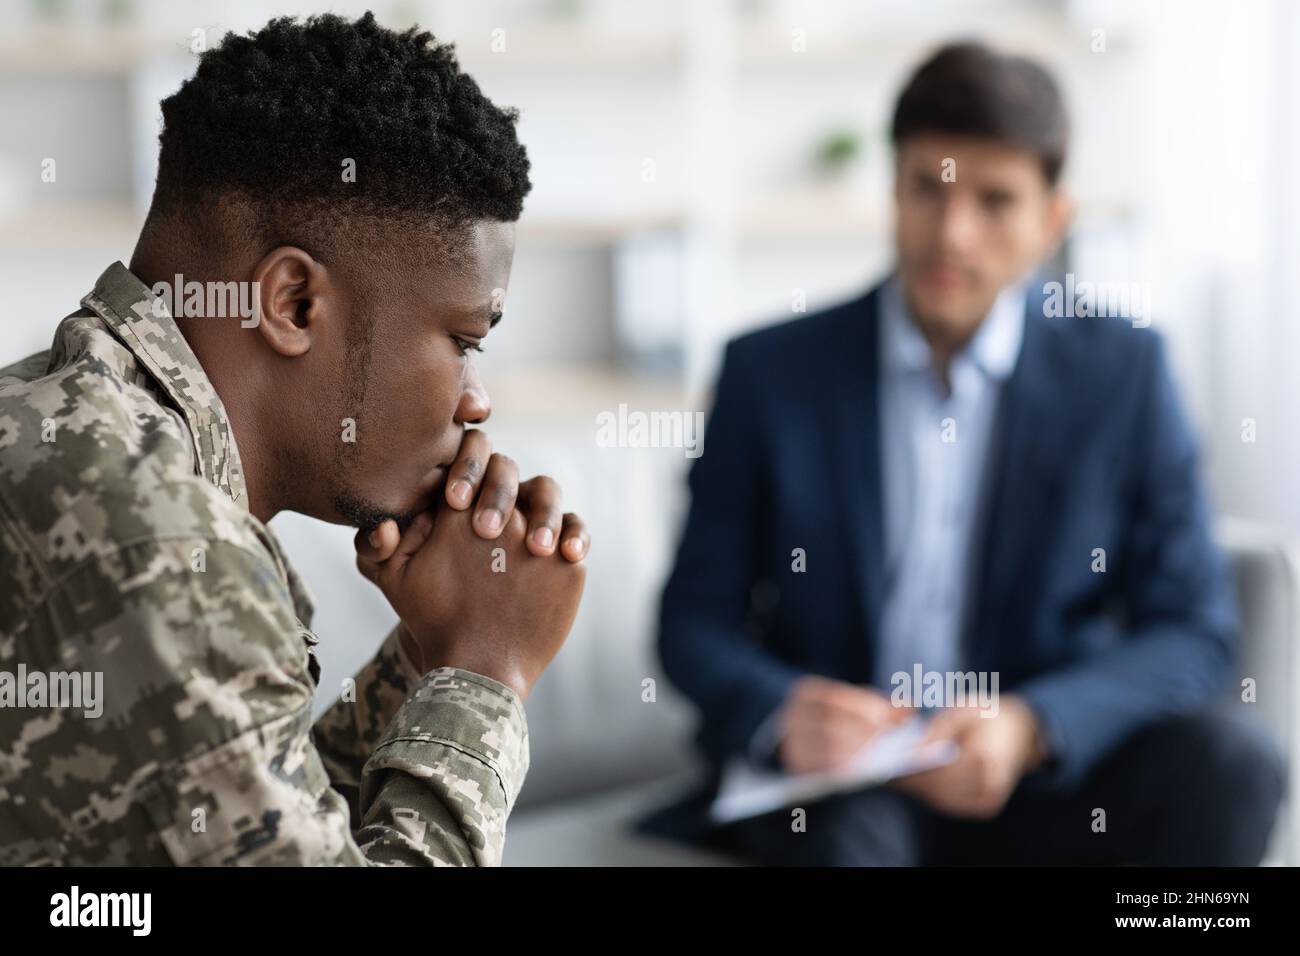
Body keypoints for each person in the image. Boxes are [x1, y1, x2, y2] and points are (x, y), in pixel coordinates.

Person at [650, 41, 1285, 865]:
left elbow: (1194, 628)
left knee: (1235, 764)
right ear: (894, 187)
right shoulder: (769, 371)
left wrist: (1035, 726)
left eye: (994, 200)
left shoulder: (1126, 372)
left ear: (1052, 219)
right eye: (928, 189)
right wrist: (785, 710)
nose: (951, 234)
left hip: (1046, 772)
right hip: (850, 789)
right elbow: (692, 621)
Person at [0, 12, 588, 866]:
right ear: (292, 305)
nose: (475, 402)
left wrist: (432, 653)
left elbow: (250, 822)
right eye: (465, 342)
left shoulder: (60, 417)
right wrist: (487, 676)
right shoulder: (158, 544)